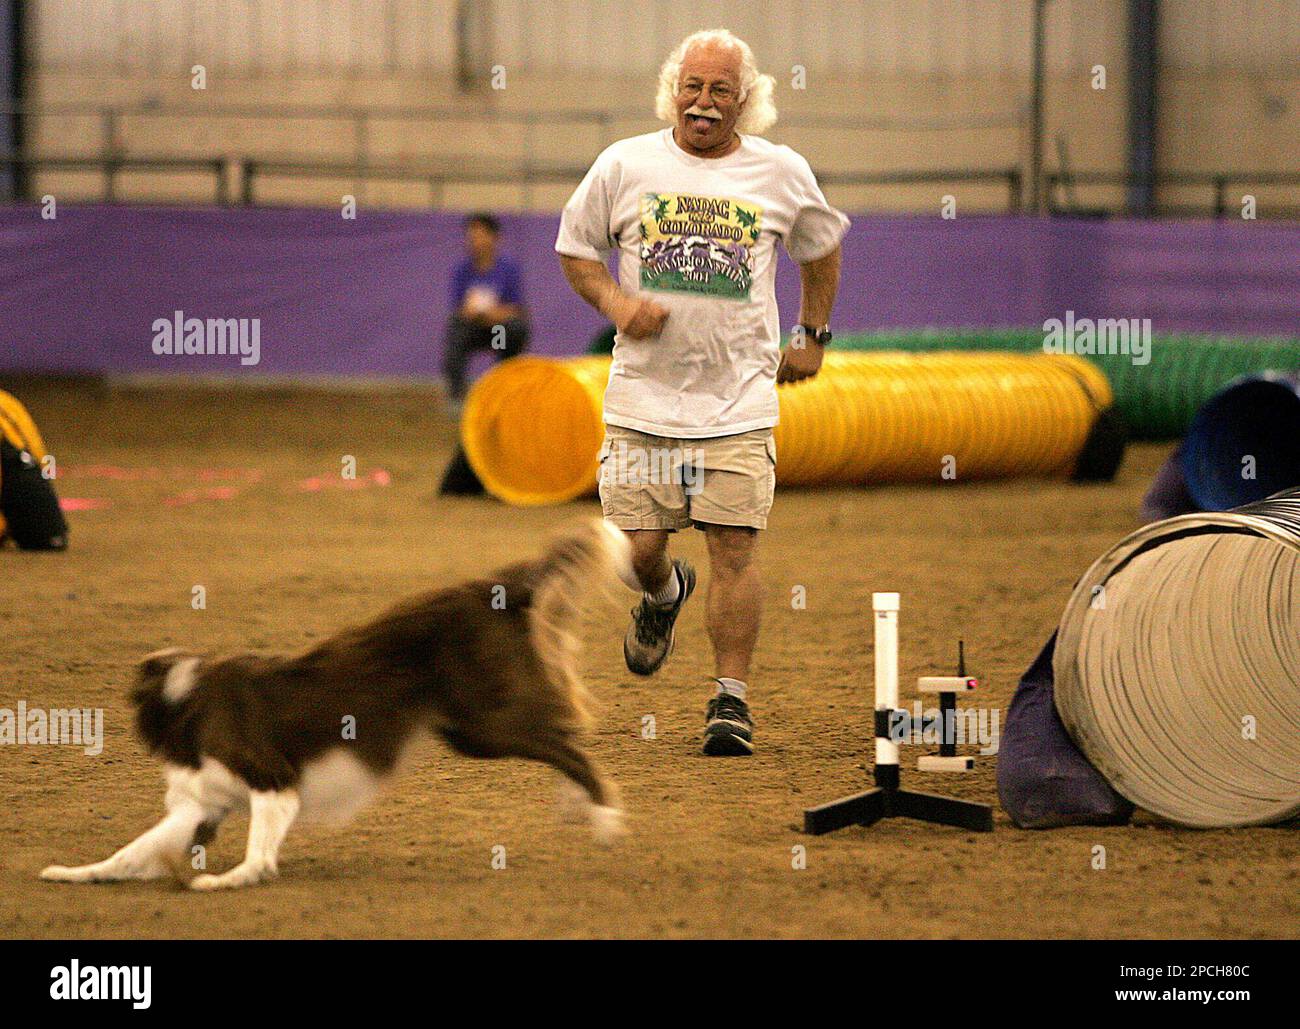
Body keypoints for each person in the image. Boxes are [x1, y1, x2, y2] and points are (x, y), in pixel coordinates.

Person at [555, 28, 848, 756]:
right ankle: (662, 595)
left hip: (738, 403)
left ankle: (730, 700)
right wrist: (620, 305)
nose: (704, 102)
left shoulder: (779, 172)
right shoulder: (626, 164)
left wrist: (813, 333)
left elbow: (822, 245)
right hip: (642, 403)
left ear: (745, 102)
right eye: (693, 87)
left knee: (734, 547)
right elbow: (575, 248)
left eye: (721, 90)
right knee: (636, 550)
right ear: (672, 91)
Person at [444, 213, 529, 403]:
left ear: (494, 238)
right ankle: (457, 396)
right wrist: (477, 314)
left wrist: (492, 314)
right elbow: (459, 309)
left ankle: (503, 389)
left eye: (481, 235)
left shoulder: (508, 269)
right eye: (472, 236)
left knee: (513, 330)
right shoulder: (461, 271)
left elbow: (516, 308)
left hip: (498, 331)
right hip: (473, 329)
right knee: (455, 330)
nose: (476, 241)